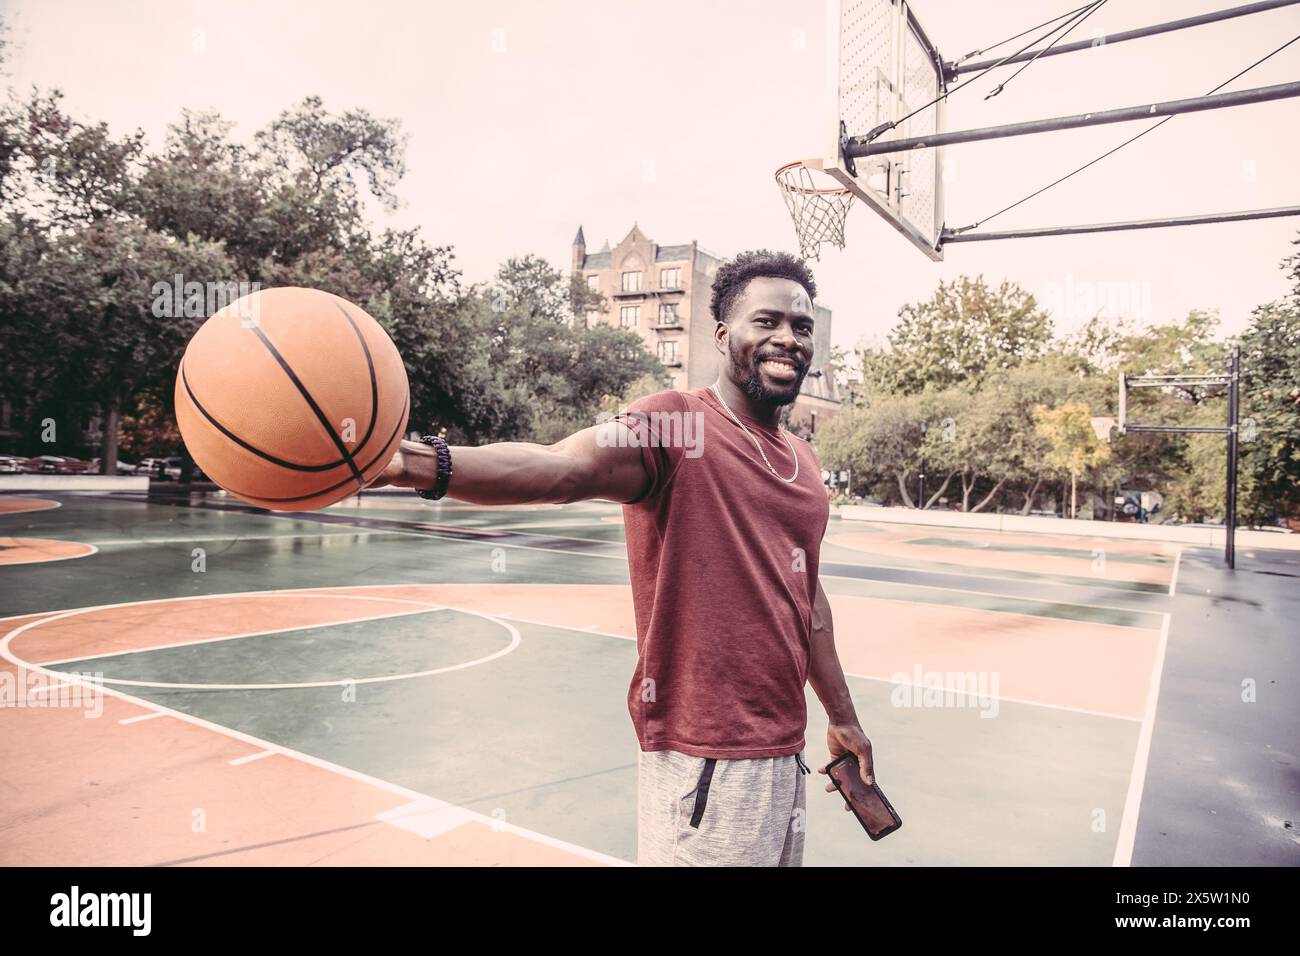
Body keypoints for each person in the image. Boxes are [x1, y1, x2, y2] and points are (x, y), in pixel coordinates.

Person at [372, 249, 874, 866]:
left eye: (801, 327)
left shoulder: (804, 462)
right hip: (706, 756)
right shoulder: (677, 423)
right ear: (723, 334)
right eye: (765, 321)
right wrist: (413, 463)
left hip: (784, 748)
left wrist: (843, 717)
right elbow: (560, 467)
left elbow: (810, 603)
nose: (787, 339)